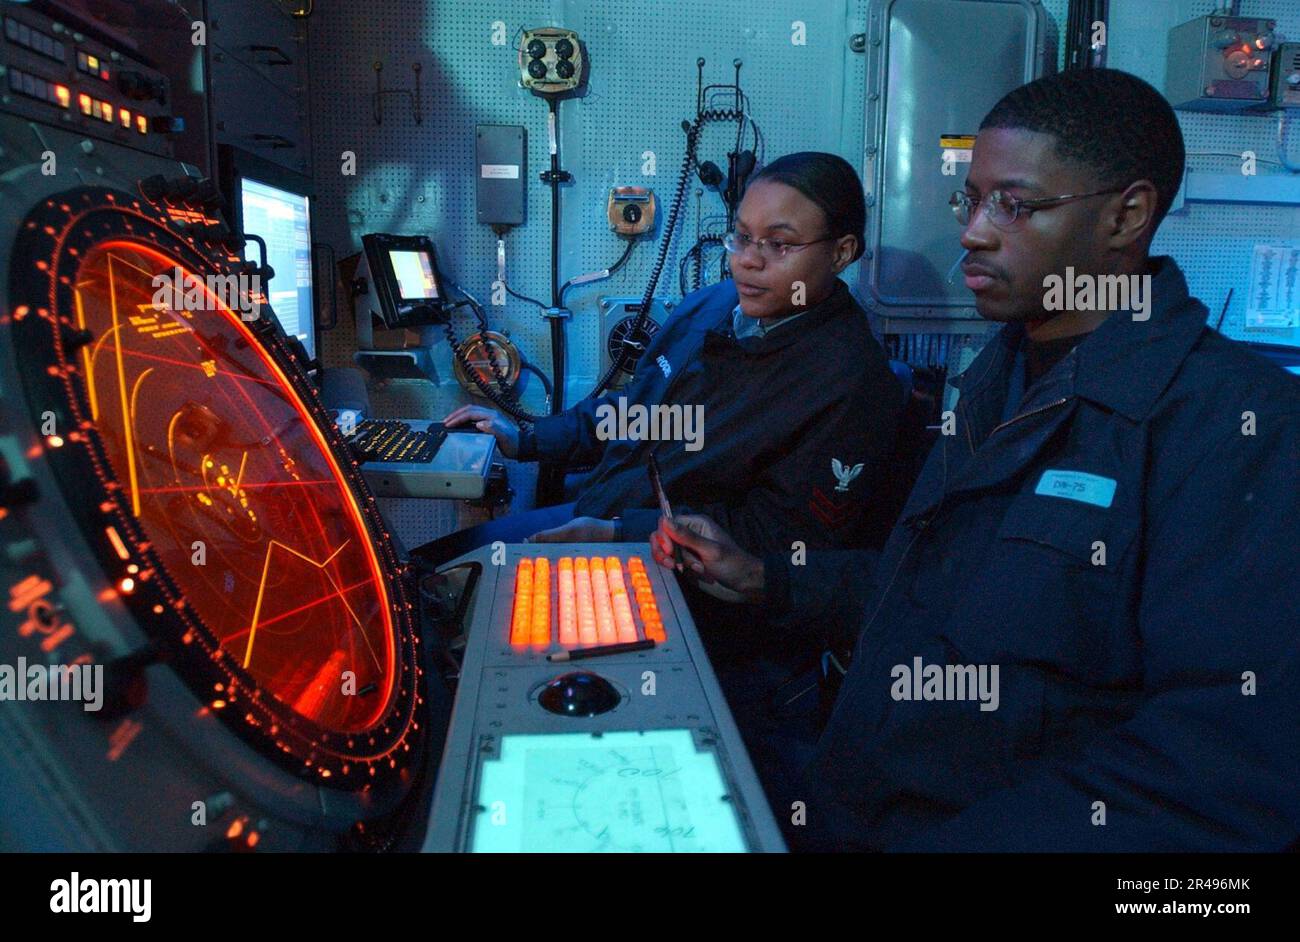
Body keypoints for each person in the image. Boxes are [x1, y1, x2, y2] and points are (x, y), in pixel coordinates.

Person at [651, 69, 1300, 851]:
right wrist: (765, 578)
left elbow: (1216, 779)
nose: (974, 232)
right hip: (850, 801)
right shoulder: (1007, 374)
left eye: (1015, 206)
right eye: (972, 199)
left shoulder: (1236, 426)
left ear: (1127, 215)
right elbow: (935, 589)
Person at [412, 152, 902, 566]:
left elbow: (782, 544)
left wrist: (624, 532)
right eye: (742, 236)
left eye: (779, 244)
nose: (748, 260)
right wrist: (525, 438)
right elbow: (638, 410)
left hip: (671, 566)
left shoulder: (850, 384)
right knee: (428, 573)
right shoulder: (713, 306)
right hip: (605, 517)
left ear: (841, 253)